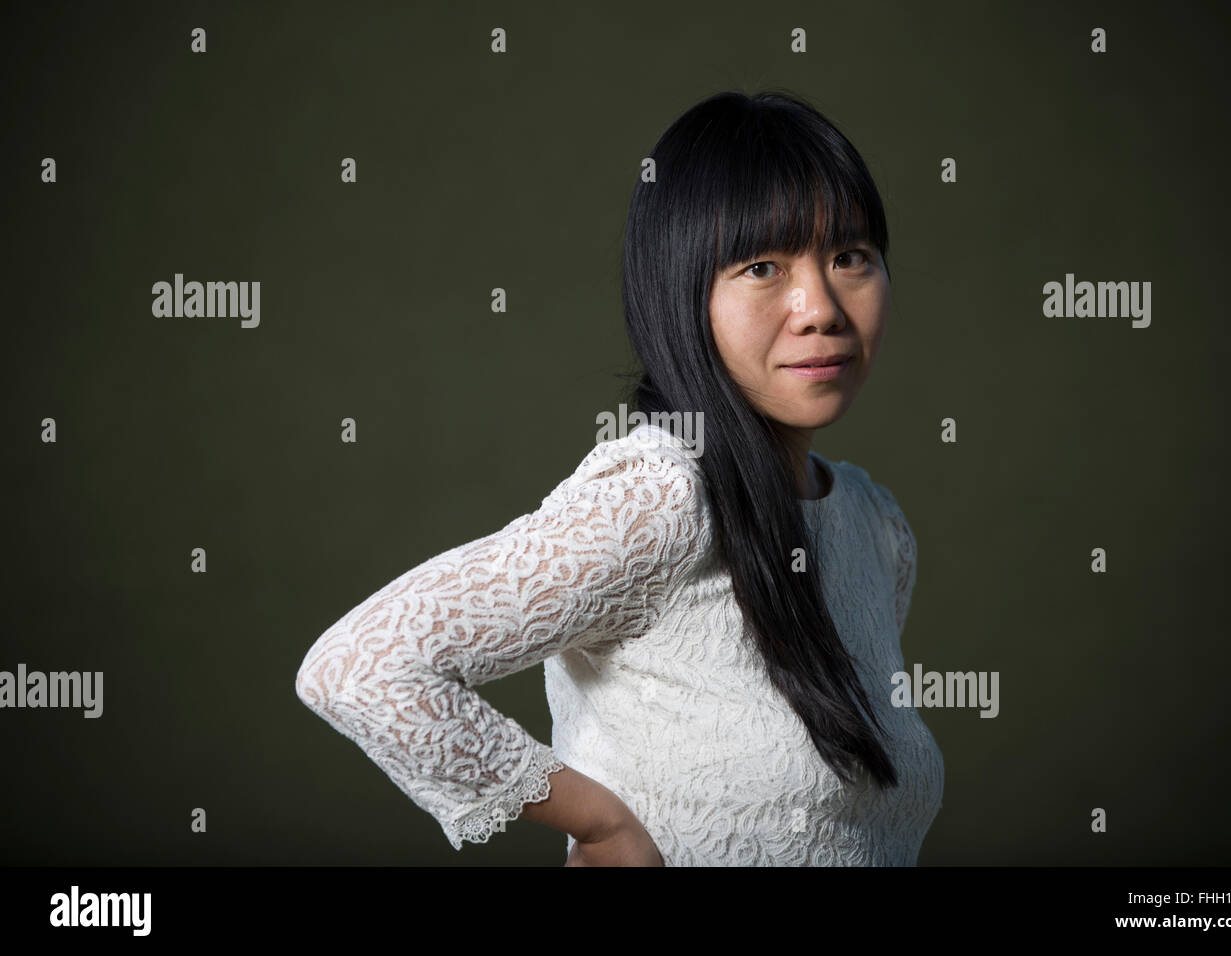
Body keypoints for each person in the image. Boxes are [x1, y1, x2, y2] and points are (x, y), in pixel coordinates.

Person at [295, 89, 943, 866]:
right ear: (680, 294)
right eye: (762, 266)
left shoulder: (876, 526)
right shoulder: (662, 498)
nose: (820, 309)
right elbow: (360, 666)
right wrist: (598, 822)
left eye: (849, 257)